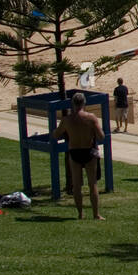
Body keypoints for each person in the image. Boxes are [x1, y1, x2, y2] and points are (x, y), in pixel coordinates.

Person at [54, 92, 106, 220]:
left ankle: (80, 214)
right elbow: (101, 136)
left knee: (77, 185)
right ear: (84, 103)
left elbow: (56, 135)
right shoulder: (91, 118)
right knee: (92, 184)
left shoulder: (67, 120)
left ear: (72, 103)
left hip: (75, 151)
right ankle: (96, 214)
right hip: (89, 151)